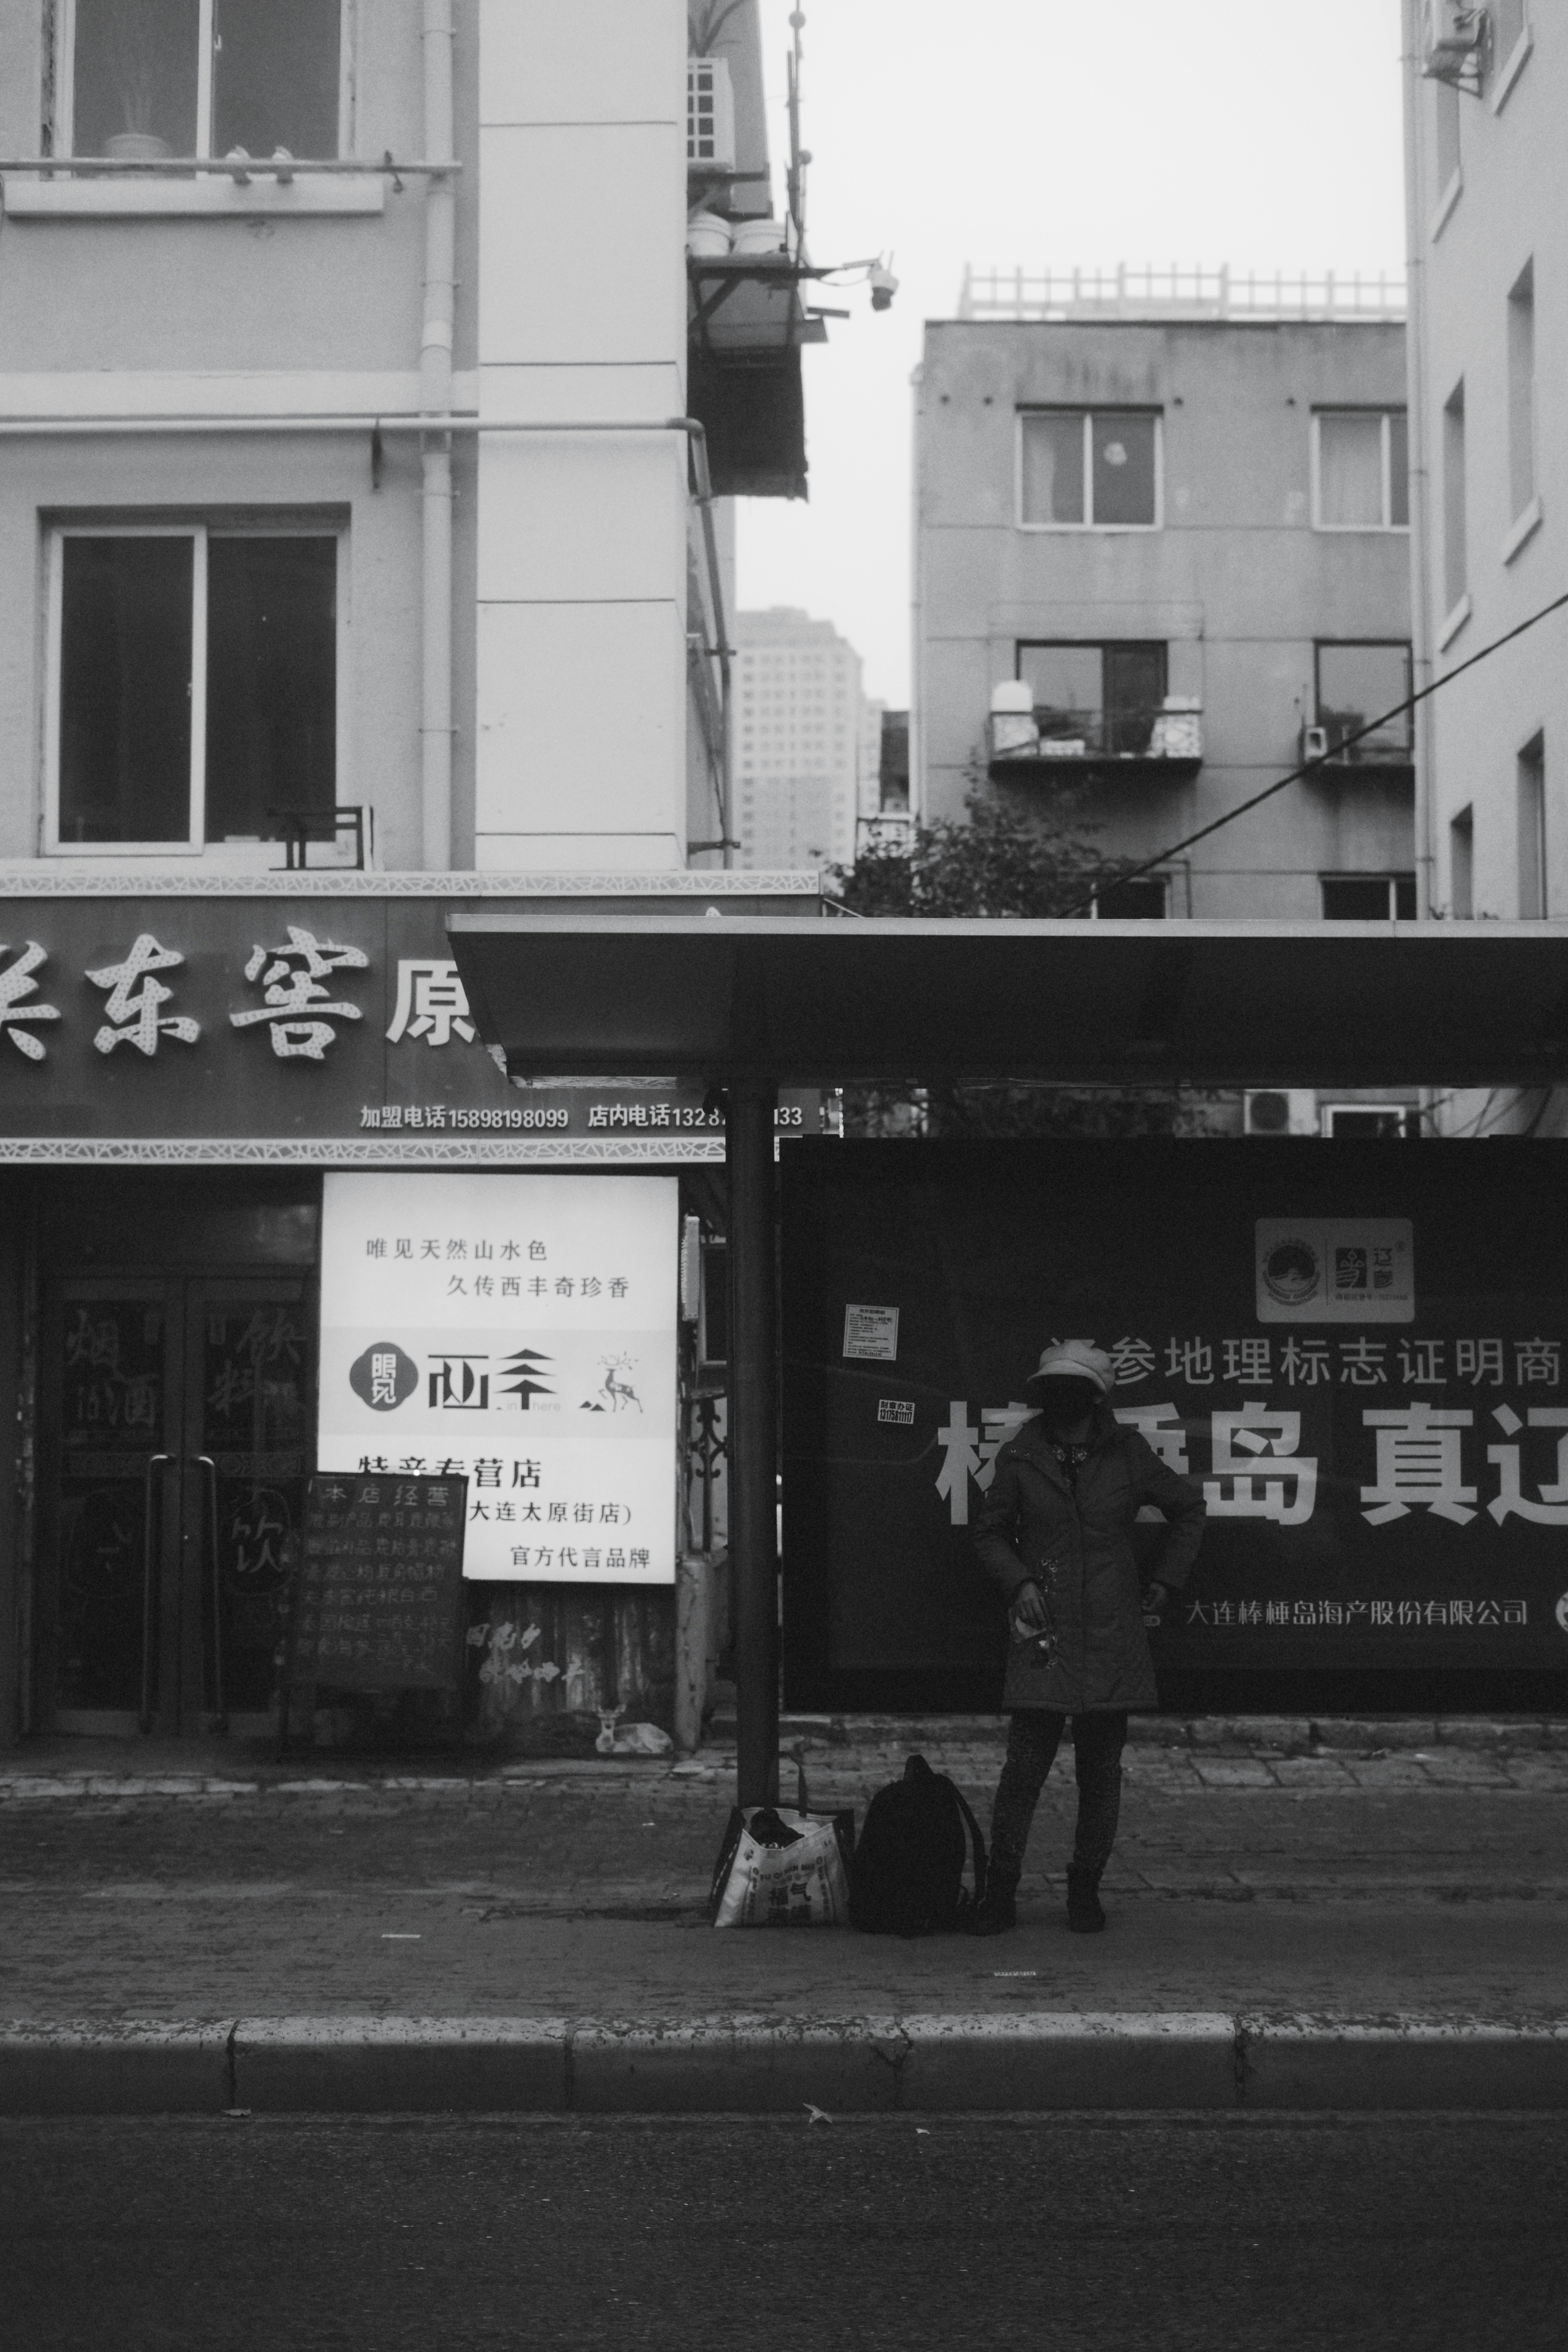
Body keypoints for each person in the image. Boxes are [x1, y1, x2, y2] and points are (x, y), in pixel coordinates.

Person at [970, 1339, 1205, 1936]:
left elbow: (1188, 1508)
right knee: (1023, 1770)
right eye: (1052, 1386)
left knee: (1101, 1773)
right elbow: (990, 1532)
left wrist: (1166, 1581)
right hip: (1042, 1633)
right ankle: (1001, 1891)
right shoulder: (1022, 1455)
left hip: (1111, 1633)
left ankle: (1085, 1888)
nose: (1059, 1396)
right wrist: (1018, 1580)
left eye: (1071, 1387)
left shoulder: (1128, 1453)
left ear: (1094, 1396)